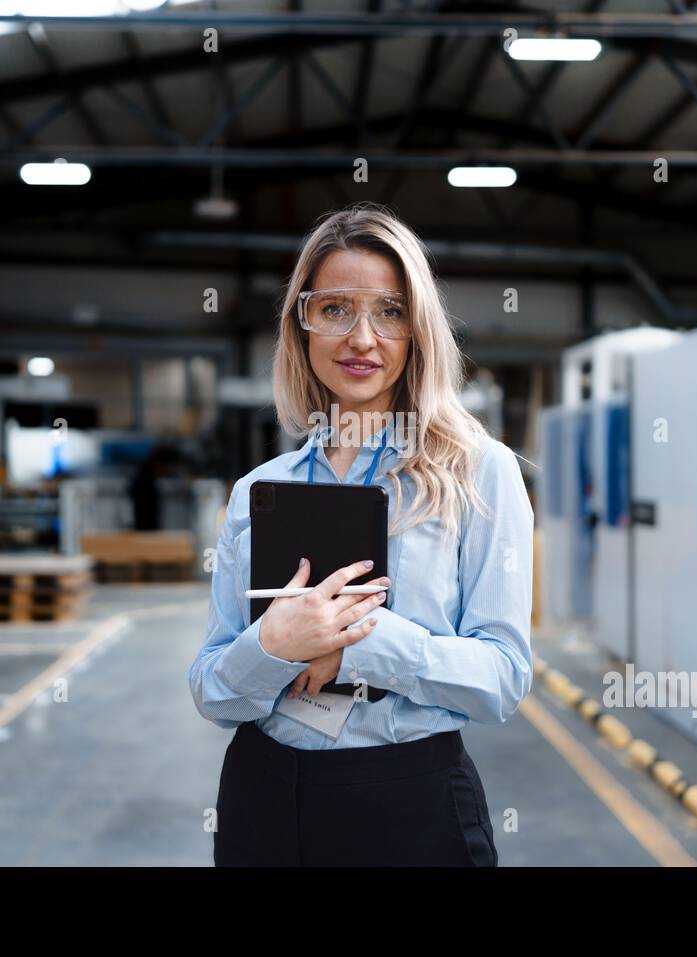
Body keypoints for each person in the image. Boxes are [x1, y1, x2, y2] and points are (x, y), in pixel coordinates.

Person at [187, 202, 534, 866]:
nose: (362, 338)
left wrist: (354, 645)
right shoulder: (259, 491)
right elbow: (212, 686)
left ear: (420, 329)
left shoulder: (478, 472)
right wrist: (273, 645)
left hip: (409, 801)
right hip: (264, 794)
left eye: (391, 311)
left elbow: (502, 676)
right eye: (336, 309)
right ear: (303, 323)